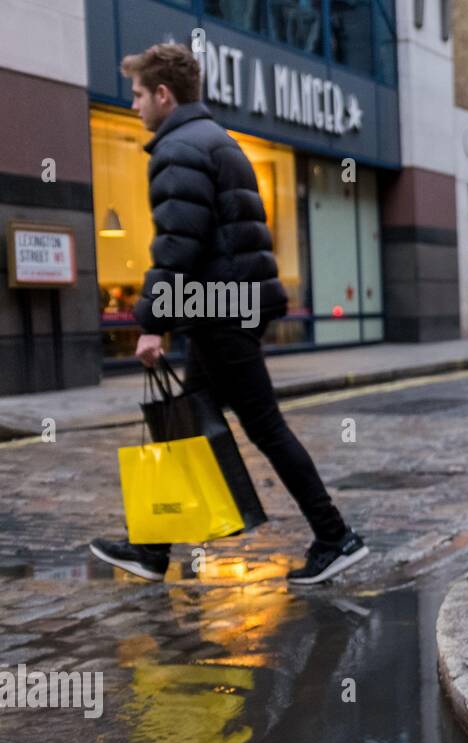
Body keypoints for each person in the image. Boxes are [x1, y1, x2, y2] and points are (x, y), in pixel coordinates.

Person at [89, 43, 368, 586]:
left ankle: (334, 536)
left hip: (218, 309)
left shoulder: (180, 149)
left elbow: (177, 244)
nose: (134, 106)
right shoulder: (218, 141)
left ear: (164, 95)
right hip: (228, 305)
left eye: (139, 95)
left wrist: (150, 323)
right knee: (184, 425)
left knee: (262, 424)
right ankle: (150, 548)